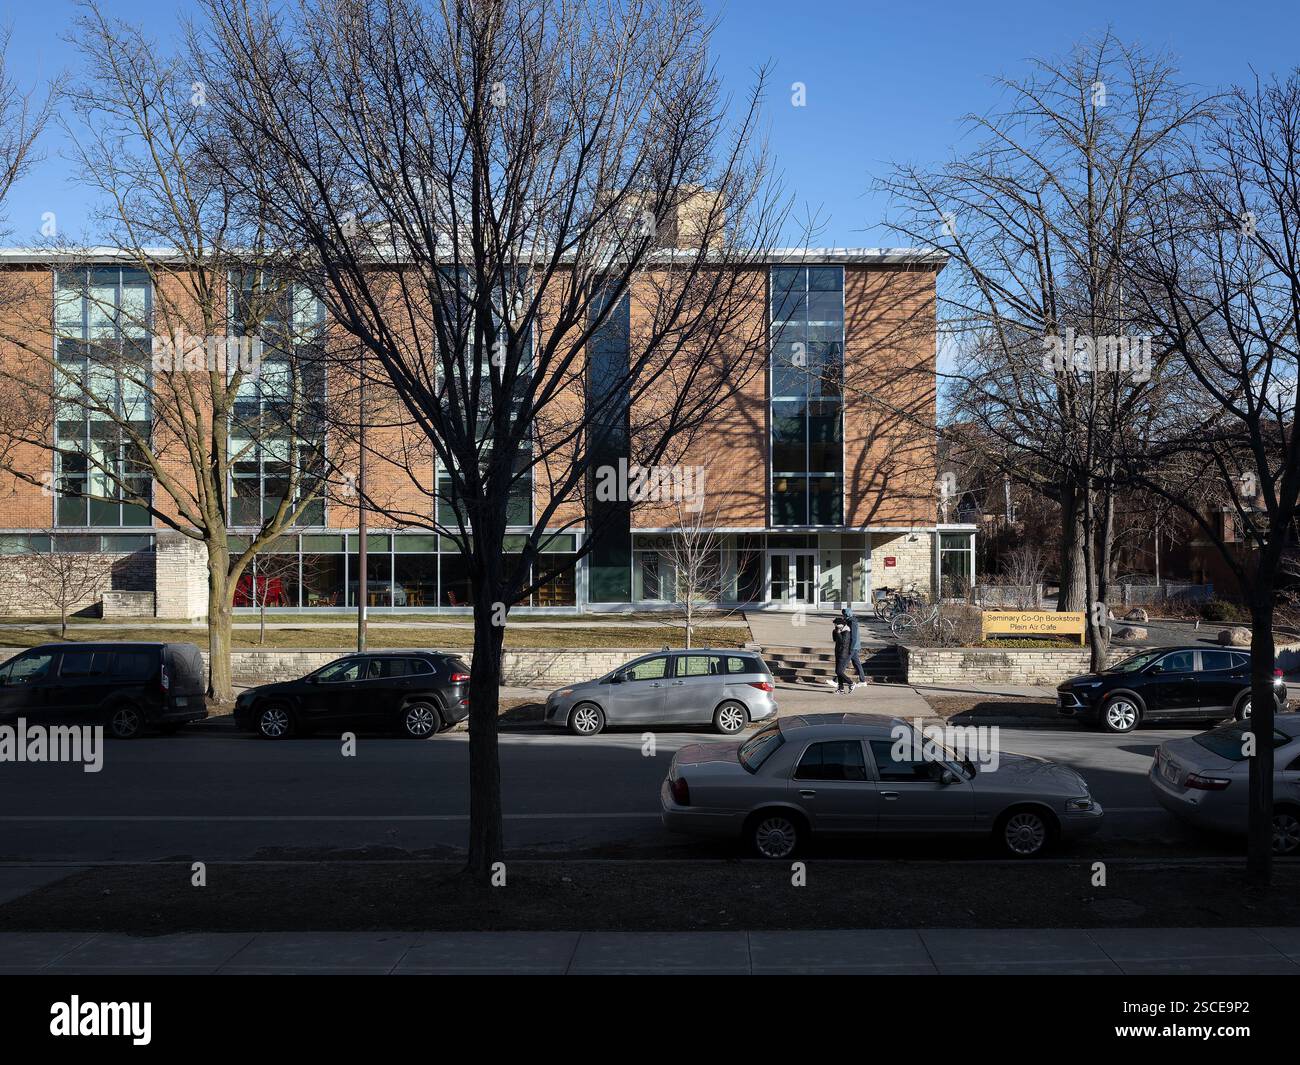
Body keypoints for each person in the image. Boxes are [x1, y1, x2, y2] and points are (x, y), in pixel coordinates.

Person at [841, 605, 865, 686]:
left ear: (847, 615)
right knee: (857, 664)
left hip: (852, 646)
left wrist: (850, 648)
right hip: (854, 646)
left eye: (844, 614)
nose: (842, 616)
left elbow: (854, 637)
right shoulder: (849, 621)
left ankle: (836, 680)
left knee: (843, 663)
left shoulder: (852, 622)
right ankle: (863, 681)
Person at [832, 616, 854, 694]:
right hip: (838, 652)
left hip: (843, 654)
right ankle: (841, 689)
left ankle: (850, 683)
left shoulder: (846, 632)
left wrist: (838, 633)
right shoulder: (839, 630)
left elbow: (843, 642)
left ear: (841, 624)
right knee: (837, 671)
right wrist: (835, 632)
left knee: (839, 671)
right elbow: (835, 640)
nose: (835, 626)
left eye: (836, 625)